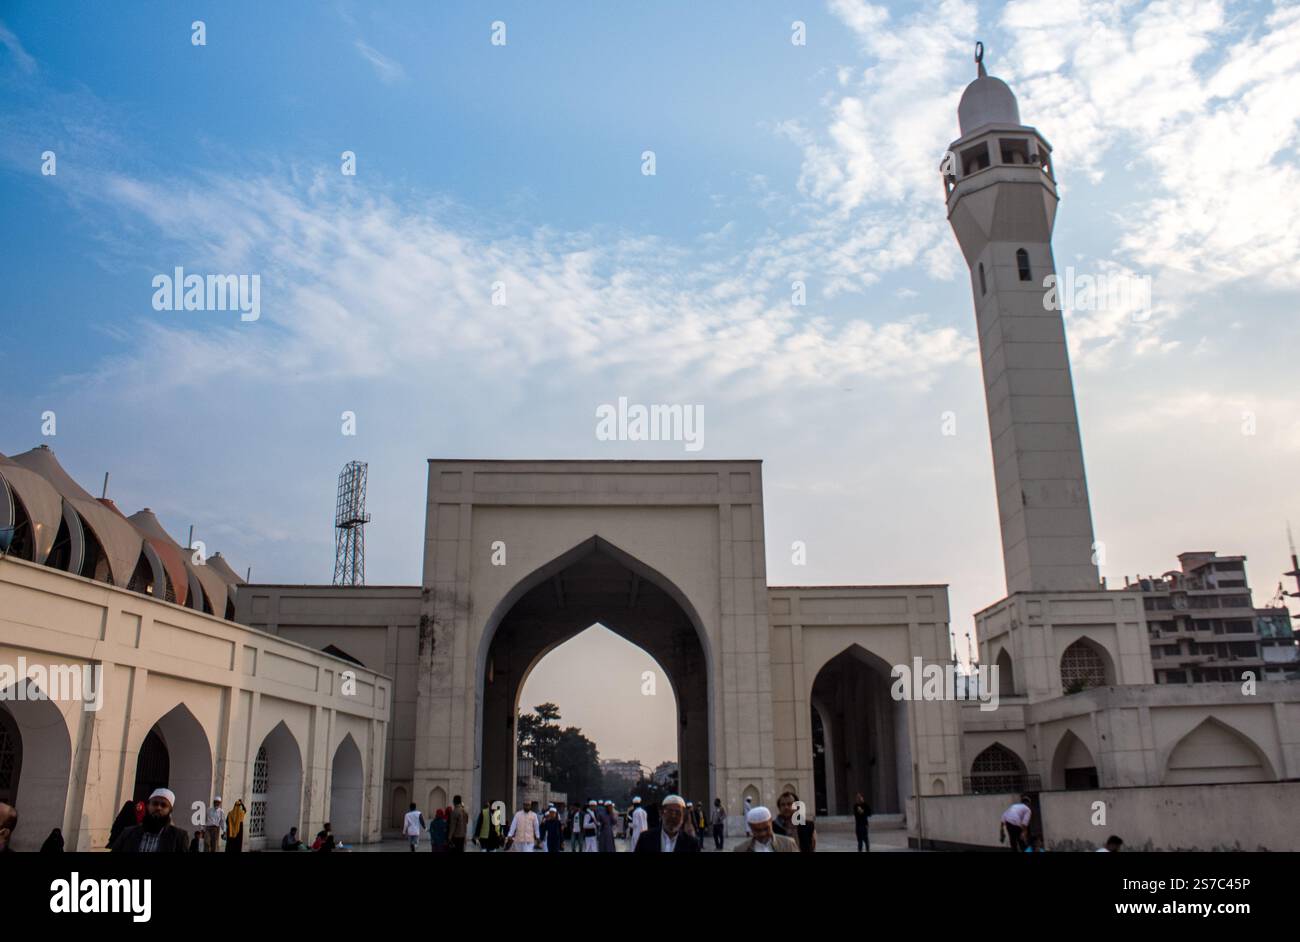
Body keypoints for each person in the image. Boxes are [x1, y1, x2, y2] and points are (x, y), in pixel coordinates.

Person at [110, 788, 190, 852]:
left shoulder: (179, 837)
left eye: (163, 805)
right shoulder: (128, 833)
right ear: (148, 806)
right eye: (155, 803)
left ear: (170, 810)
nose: (158, 808)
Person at [634, 795, 698, 853]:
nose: (673, 816)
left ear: (683, 816)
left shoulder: (691, 843)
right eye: (669, 812)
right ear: (661, 813)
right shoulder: (645, 838)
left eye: (678, 813)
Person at [733, 805, 799, 853]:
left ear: (771, 822)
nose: (762, 834)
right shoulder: (740, 849)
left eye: (766, 828)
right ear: (750, 827)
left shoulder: (788, 844)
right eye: (757, 830)